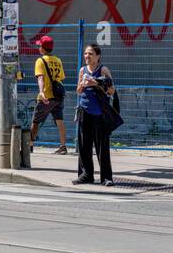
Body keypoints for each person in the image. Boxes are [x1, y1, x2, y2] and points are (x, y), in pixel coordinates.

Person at [73, 43, 115, 186]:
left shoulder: (103, 70)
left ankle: (106, 177)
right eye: (85, 53)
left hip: (99, 113)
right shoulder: (82, 70)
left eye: (90, 53)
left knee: (101, 146)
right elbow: (78, 91)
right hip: (84, 111)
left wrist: (95, 83)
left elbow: (111, 90)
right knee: (84, 145)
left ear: (98, 56)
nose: (87, 56)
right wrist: (83, 84)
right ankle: (86, 175)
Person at [30, 35, 68, 154]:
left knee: (36, 121)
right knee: (59, 119)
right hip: (58, 96)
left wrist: (41, 92)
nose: (38, 48)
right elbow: (61, 78)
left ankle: (30, 145)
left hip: (46, 96)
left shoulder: (40, 61)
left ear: (42, 48)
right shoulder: (58, 60)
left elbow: (40, 77)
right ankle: (63, 146)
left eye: (39, 46)